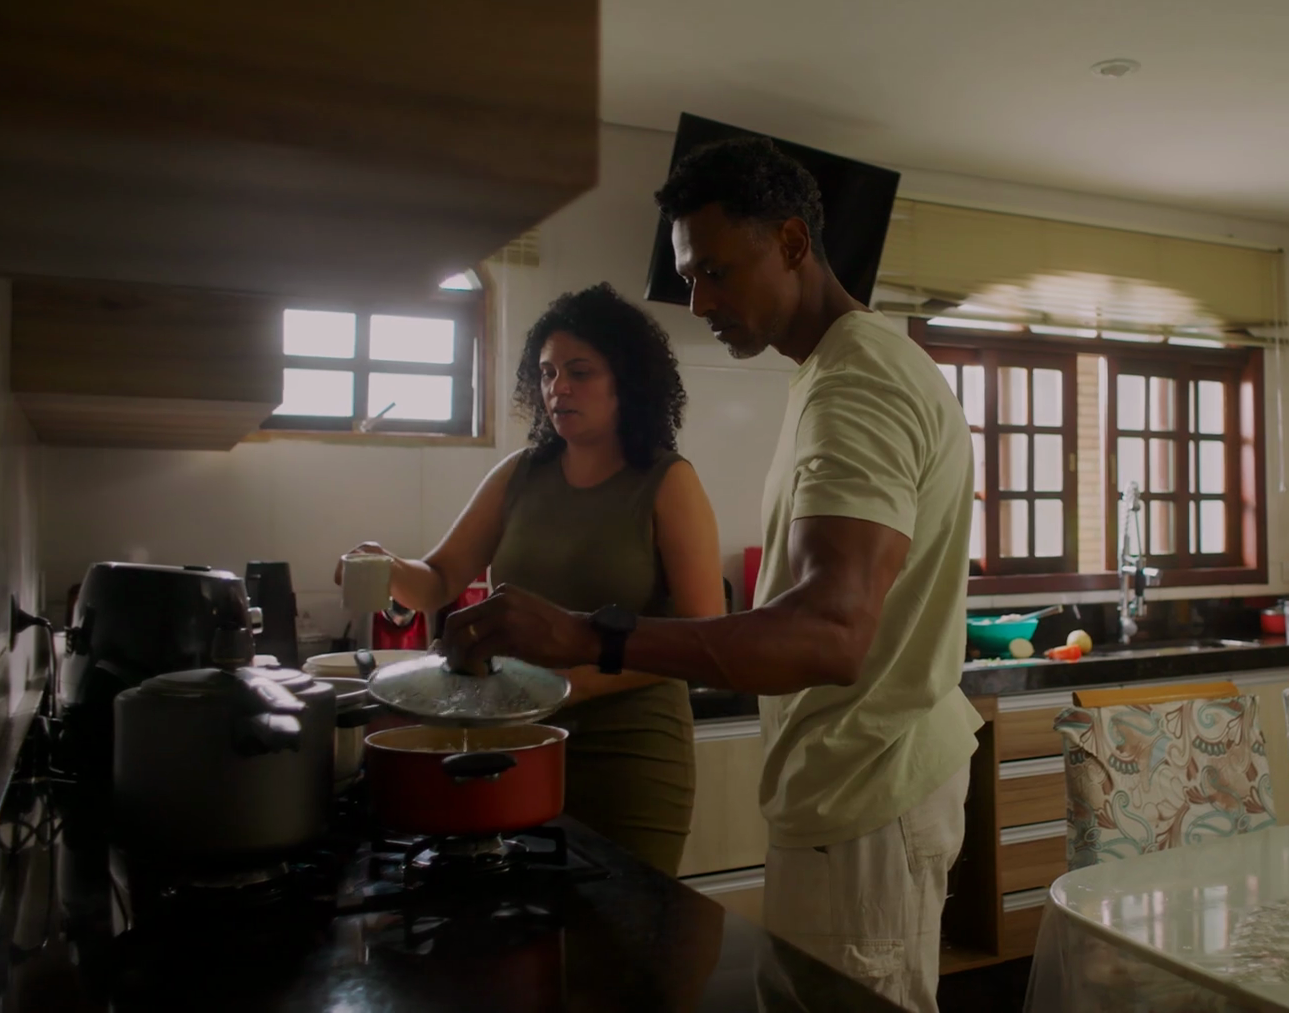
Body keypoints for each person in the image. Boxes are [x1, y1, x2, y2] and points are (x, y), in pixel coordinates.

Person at [443, 136, 979, 1013]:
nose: (700, 302)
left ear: (795, 244)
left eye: (718, 273)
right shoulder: (834, 373)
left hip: (867, 786)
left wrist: (585, 633)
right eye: (691, 277)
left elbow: (830, 633)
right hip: (854, 784)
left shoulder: (859, 387)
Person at [335, 283, 724, 874]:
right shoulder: (519, 475)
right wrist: (388, 569)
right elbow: (438, 580)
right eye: (545, 373)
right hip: (516, 744)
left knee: (628, 937)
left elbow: (703, 635)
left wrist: (576, 680)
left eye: (579, 371)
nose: (557, 388)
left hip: (629, 755)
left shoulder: (667, 482)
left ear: (627, 380)